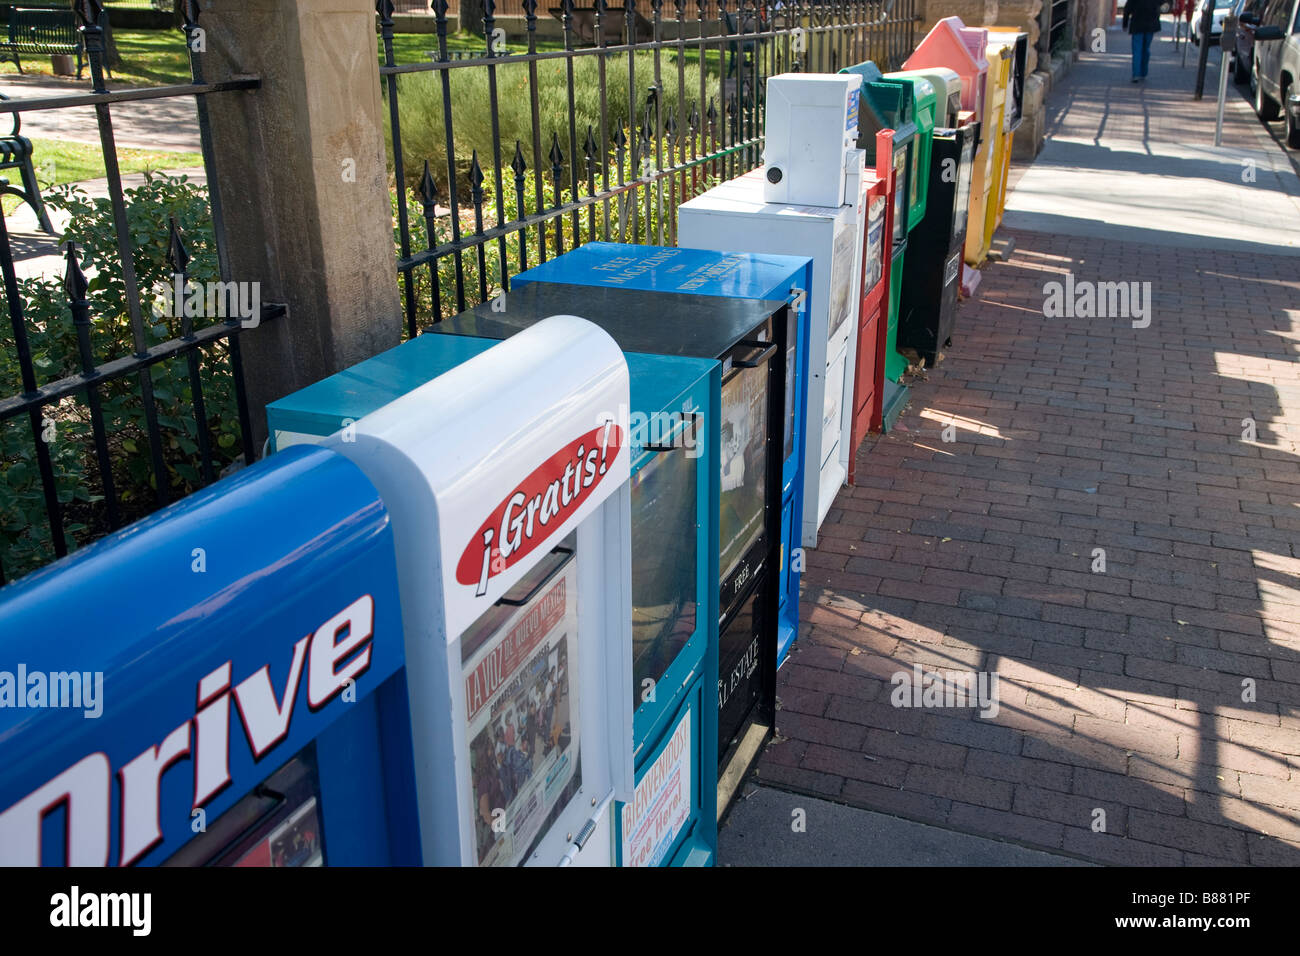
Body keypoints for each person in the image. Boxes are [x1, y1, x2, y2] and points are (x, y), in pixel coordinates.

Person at [1123, 0, 1163, 82]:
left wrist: (1125, 23)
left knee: (1137, 50)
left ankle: (1136, 74)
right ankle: (1143, 73)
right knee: (1146, 48)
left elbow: (1127, 8)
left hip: (1137, 24)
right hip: (1150, 24)